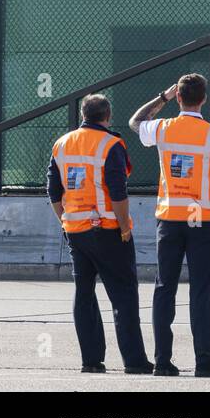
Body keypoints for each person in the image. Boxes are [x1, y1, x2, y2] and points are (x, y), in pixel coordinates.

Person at [129, 74, 210, 377]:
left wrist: (161, 97)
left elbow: (136, 122)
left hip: (169, 220)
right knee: (201, 290)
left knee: (165, 288)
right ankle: (204, 360)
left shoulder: (162, 128)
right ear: (203, 99)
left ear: (179, 97)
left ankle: (163, 361)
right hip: (202, 221)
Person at [48, 93, 152, 374]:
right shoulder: (111, 144)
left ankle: (91, 361)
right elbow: (118, 192)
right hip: (108, 229)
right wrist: (125, 226)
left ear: (83, 114)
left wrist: (66, 221)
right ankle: (134, 361)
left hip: (76, 231)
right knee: (123, 295)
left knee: (84, 294)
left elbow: (54, 192)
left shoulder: (62, 144)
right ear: (107, 115)